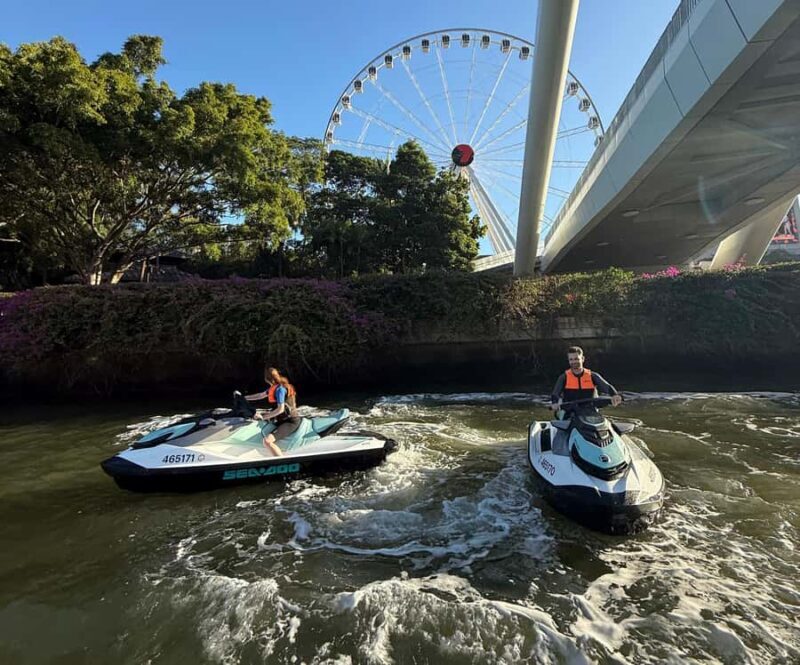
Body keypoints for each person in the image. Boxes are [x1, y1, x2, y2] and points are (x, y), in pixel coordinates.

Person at [244, 366, 300, 456]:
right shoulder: (274, 388)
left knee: (267, 441)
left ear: (266, 379)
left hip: (290, 421)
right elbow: (260, 395)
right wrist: (244, 398)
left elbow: (281, 409)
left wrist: (264, 417)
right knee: (254, 416)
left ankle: (281, 463)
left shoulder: (280, 390)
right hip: (279, 419)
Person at [550, 346, 622, 415]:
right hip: (570, 411)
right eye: (571, 359)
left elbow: (607, 387)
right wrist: (554, 403)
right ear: (568, 361)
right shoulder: (563, 377)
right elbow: (555, 394)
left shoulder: (593, 376)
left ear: (582, 359)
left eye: (576, 359)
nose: (573, 362)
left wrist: (615, 395)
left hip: (590, 411)